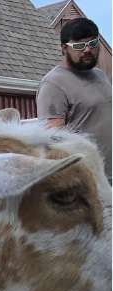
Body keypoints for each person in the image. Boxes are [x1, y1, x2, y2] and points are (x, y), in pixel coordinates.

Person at [36, 17, 112, 179]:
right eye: (79, 46)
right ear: (64, 48)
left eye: (92, 43)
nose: (87, 50)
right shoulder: (53, 84)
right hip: (88, 179)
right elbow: (53, 139)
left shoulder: (100, 75)